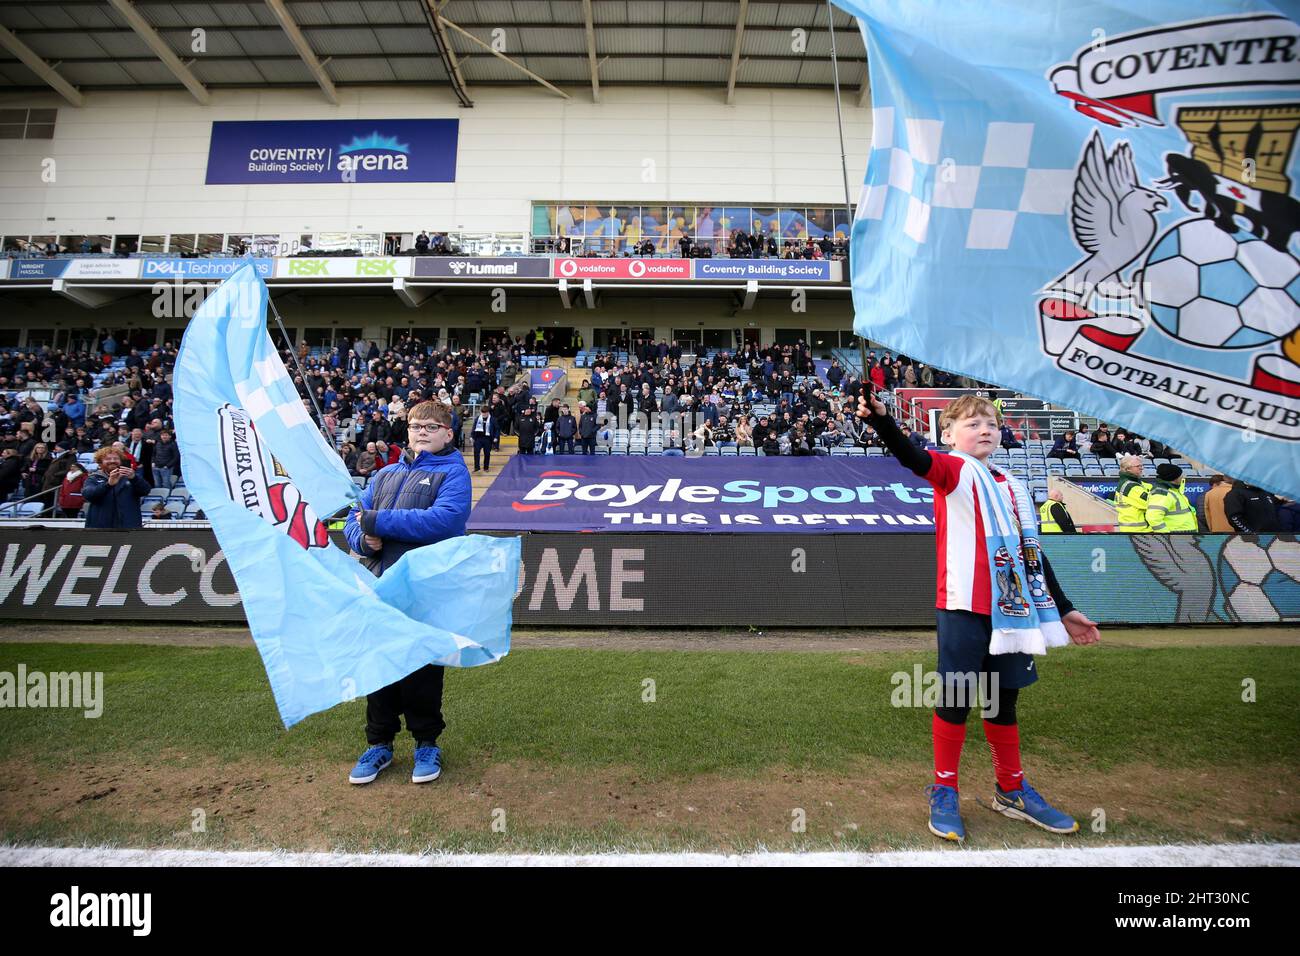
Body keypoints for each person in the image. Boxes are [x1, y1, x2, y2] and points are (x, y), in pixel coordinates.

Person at [858, 391, 1100, 843]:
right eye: (972, 423)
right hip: (964, 607)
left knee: (1002, 702)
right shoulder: (953, 469)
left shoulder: (1010, 484)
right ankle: (945, 788)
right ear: (948, 435)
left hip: (1014, 612)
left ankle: (1011, 790)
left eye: (990, 422)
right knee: (955, 699)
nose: (985, 428)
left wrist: (1065, 610)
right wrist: (884, 422)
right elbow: (912, 457)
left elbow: (1032, 556)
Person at [343, 401, 472, 786]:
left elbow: (444, 520)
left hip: (425, 588)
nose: (421, 432)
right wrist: (365, 540)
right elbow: (355, 520)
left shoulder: (454, 472)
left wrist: (378, 522)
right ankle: (379, 743)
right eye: (416, 426)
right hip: (380, 584)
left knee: (421, 668)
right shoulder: (384, 475)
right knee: (379, 664)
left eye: (431, 427)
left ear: (448, 434)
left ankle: (426, 742)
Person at [82, 446, 151, 529]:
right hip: (101, 526)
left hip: (128, 525)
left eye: (116, 458)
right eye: (108, 459)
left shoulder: (131, 476)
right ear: (100, 463)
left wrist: (134, 478)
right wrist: (108, 485)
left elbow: (145, 490)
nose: (112, 461)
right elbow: (88, 495)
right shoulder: (94, 478)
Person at [1146, 464, 1198, 533]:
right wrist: (1167, 537)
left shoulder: (1173, 491)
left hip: (1182, 538)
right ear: (1174, 478)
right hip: (1176, 539)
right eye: (1180, 475)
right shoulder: (1162, 493)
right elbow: (1153, 517)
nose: (1183, 477)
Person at [1113, 455, 1152, 533]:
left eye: (1141, 465)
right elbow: (1153, 504)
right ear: (1128, 469)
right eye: (1138, 466)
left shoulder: (1132, 483)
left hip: (1135, 531)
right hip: (1139, 532)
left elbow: (1150, 487)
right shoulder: (1131, 486)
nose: (1141, 468)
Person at [470, 406, 496, 472]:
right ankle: (476, 467)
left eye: (485, 413)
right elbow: (474, 427)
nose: (483, 414)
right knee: (476, 453)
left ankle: (486, 467)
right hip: (478, 438)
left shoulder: (492, 419)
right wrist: (472, 436)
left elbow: (497, 429)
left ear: (488, 412)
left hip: (487, 439)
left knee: (487, 453)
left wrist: (496, 437)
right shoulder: (478, 418)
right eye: (482, 413)